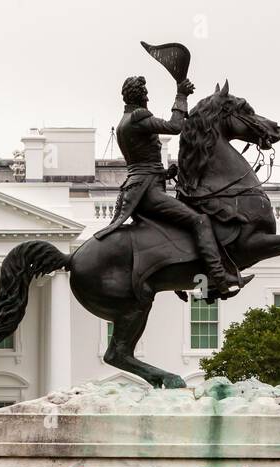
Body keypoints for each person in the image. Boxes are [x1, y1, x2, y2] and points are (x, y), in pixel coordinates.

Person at [92, 74, 238, 299]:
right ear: (140, 96)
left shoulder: (124, 122)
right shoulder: (138, 118)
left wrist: (164, 172)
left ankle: (179, 278)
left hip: (139, 187)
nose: (148, 96)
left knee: (176, 227)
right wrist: (181, 95)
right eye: (146, 93)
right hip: (148, 191)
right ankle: (219, 278)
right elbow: (174, 126)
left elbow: (140, 163)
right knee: (199, 220)